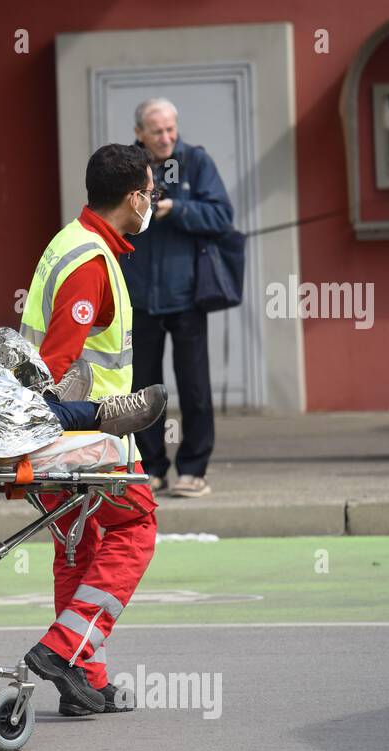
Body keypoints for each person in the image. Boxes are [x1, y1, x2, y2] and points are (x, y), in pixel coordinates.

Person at [18, 143, 163, 716]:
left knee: (79, 547)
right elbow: (57, 364)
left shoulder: (71, 242)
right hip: (84, 439)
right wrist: (61, 433)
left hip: (53, 435)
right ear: (133, 198)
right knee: (138, 528)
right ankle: (64, 649)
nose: (152, 203)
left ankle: (84, 679)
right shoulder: (90, 263)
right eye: (150, 193)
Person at [121, 97, 233, 498]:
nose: (167, 138)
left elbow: (222, 216)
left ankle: (193, 469)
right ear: (139, 134)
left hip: (187, 295)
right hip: (139, 298)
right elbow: (108, 216)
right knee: (143, 390)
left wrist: (178, 209)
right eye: (157, 131)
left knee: (195, 387)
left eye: (171, 129)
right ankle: (150, 468)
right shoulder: (126, 167)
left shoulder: (196, 162)